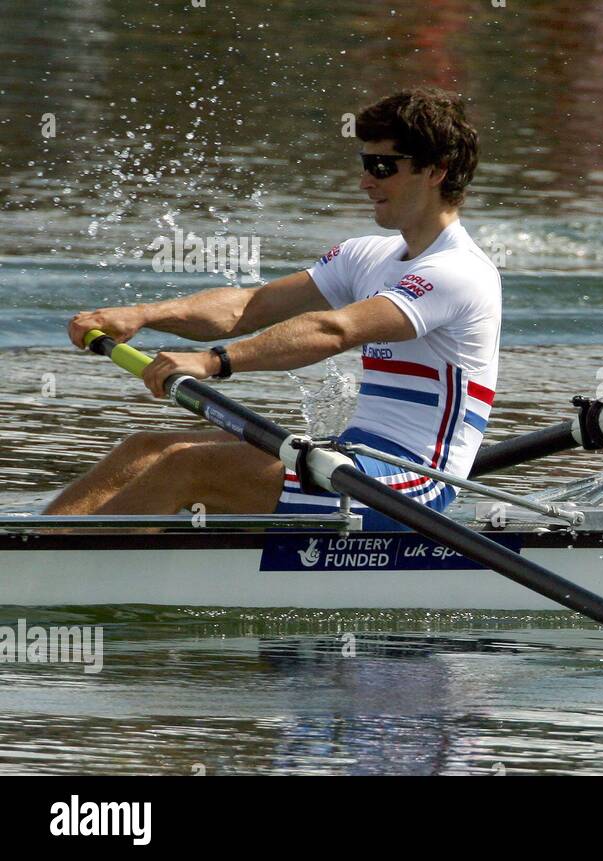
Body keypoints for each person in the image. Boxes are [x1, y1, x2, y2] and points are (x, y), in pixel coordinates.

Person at [48, 87, 501, 530]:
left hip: (414, 486)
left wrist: (213, 362)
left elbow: (334, 330)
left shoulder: (457, 272)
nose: (366, 181)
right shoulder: (366, 255)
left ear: (436, 171)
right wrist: (143, 315)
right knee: (145, 449)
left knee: (186, 466)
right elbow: (249, 306)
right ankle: (31, 552)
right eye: (365, 164)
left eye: (382, 167)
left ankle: (62, 577)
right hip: (356, 457)